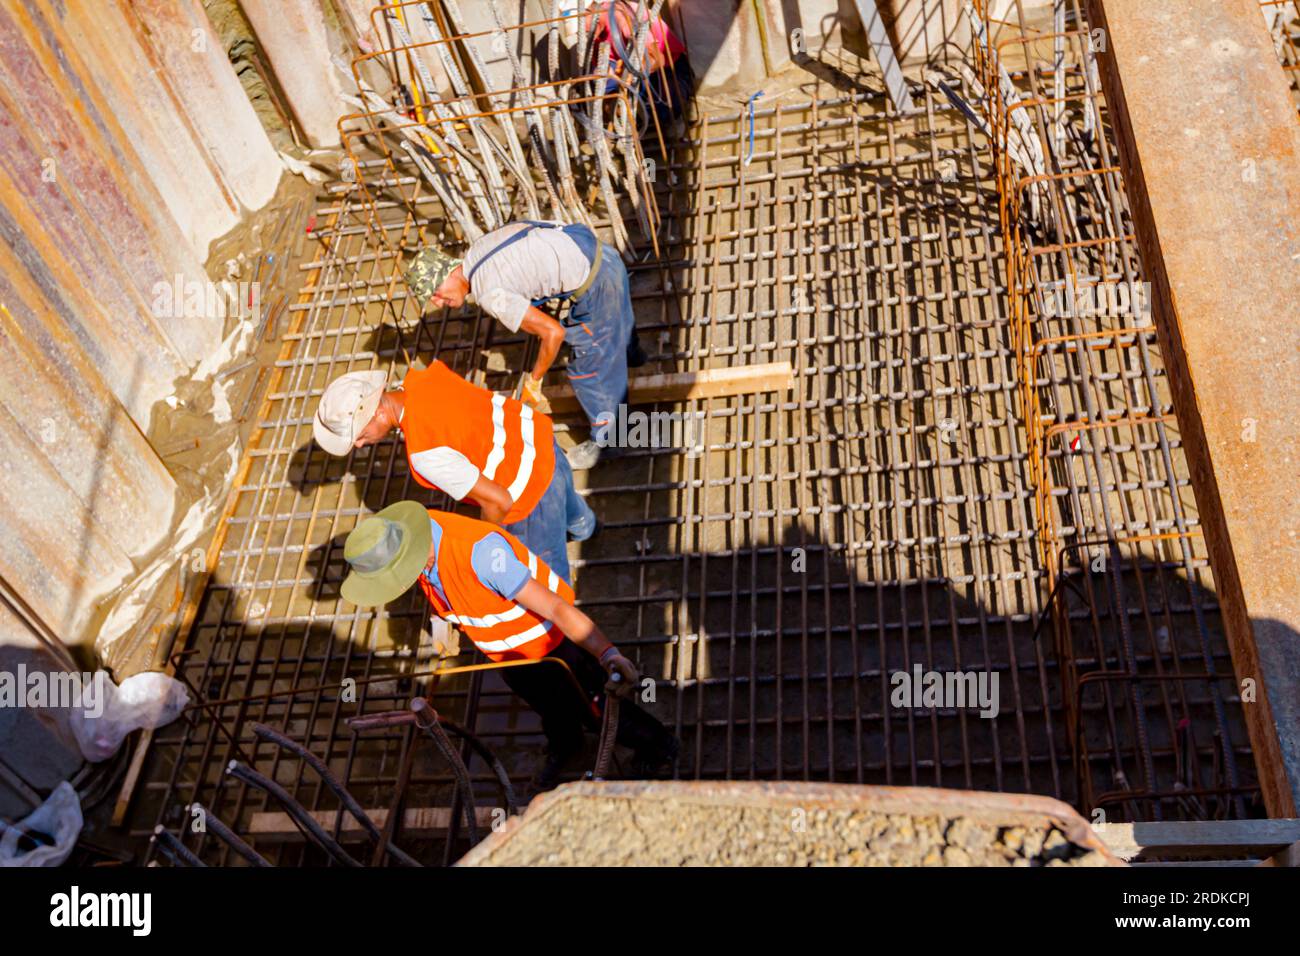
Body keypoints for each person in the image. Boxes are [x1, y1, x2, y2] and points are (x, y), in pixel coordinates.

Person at [340, 501, 679, 792]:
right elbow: (442, 588)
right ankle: (567, 744)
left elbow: (558, 609)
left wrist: (607, 654)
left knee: (594, 709)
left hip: (554, 650)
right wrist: (445, 626)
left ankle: (660, 747)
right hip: (510, 658)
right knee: (550, 707)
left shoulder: (482, 556)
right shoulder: (416, 541)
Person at [312, 361, 596, 584]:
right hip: (541, 446)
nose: (361, 444)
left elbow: (499, 502)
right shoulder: (428, 377)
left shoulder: (425, 454)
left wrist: (481, 545)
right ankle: (586, 529)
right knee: (571, 507)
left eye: (360, 436)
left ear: (378, 412)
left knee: (548, 587)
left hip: (530, 503)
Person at [403, 219, 646, 471]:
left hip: (596, 284)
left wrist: (535, 380)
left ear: (447, 272)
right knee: (616, 323)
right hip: (600, 252)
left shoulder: (489, 293)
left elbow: (553, 333)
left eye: (435, 292)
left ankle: (611, 440)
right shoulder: (476, 252)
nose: (437, 302)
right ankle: (632, 354)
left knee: (588, 369)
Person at [584, 0, 694, 130]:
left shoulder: (622, 19)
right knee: (603, 82)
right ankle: (631, 119)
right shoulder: (596, 35)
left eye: (583, 27)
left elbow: (659, 59)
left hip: (672, 69)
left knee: (665, 111)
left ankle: (672, 117)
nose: (583, 34)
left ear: (590, 11)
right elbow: (603, 73)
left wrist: (629, 73)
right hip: (636, 71)